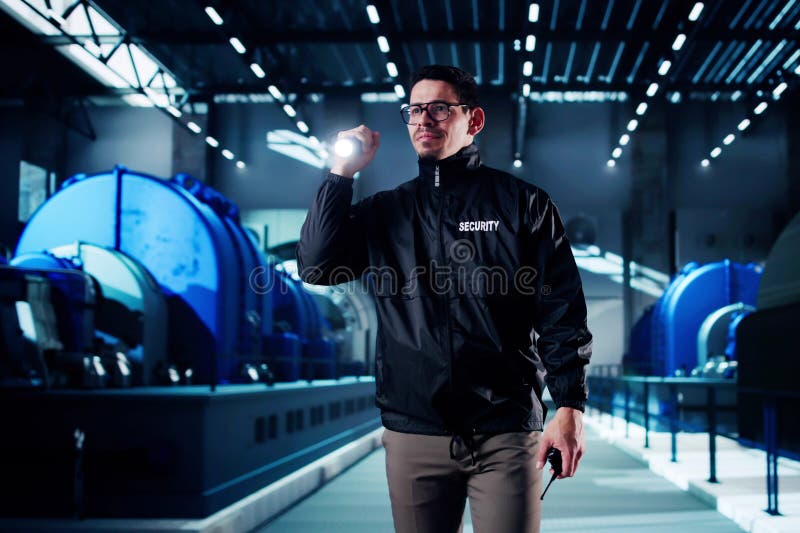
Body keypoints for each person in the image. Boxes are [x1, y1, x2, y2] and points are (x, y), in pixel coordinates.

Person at [296, 64, 593, 533]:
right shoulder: (386, 212)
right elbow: (316, 264)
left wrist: (569, 407)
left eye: (438, 108)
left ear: (472, 121)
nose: (423, 120)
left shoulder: (522, 204)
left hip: (506, 428)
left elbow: (562, 310)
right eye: (414, 110)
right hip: (415, 429)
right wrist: (340, 174)